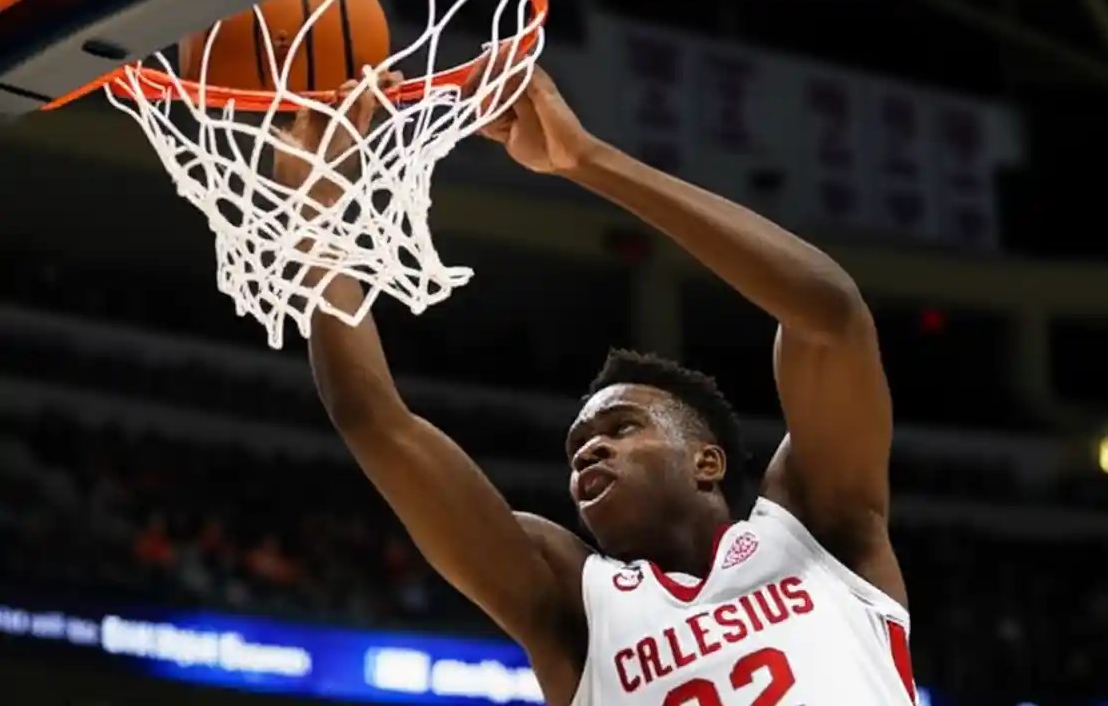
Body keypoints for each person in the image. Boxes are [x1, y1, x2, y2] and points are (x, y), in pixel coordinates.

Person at [274, 64, 913, 705]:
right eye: (579, 443)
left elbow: (831, 317)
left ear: (707, 462)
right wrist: (314, 214)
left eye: (621, 426)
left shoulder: (818, 531)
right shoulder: (571, 598)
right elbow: (373, 419)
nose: (588, 449)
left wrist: (586, 160)